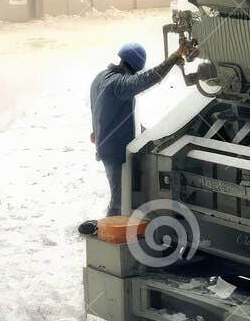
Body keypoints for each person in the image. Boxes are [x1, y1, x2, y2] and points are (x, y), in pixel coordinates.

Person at [80, 40, 191, 233]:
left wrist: (96, 131)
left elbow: (95, 107)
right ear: (136, 67)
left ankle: (115, 225)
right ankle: (108, 235)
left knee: (120, 193)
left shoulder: (101, 77)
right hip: (115, 151)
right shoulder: (120, 84)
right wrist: (173, 58)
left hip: (105, 146)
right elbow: (148, 78)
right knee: (119, 197)